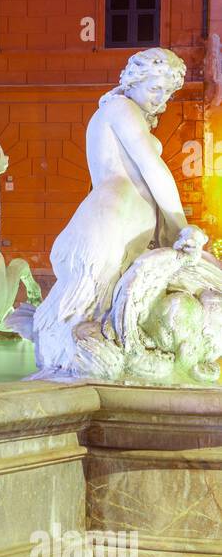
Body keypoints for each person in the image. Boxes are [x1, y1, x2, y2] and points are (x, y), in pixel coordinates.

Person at [33, 47, 189, 371]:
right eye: (155, 88)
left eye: (167, 92)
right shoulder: (120, 107)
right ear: (134, 81)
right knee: (90, 315)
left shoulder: (119, 111)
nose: (161, 99)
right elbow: (151, 167)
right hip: (111, 221)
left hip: (118, 222)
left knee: (98, 313)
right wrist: (180, 226)